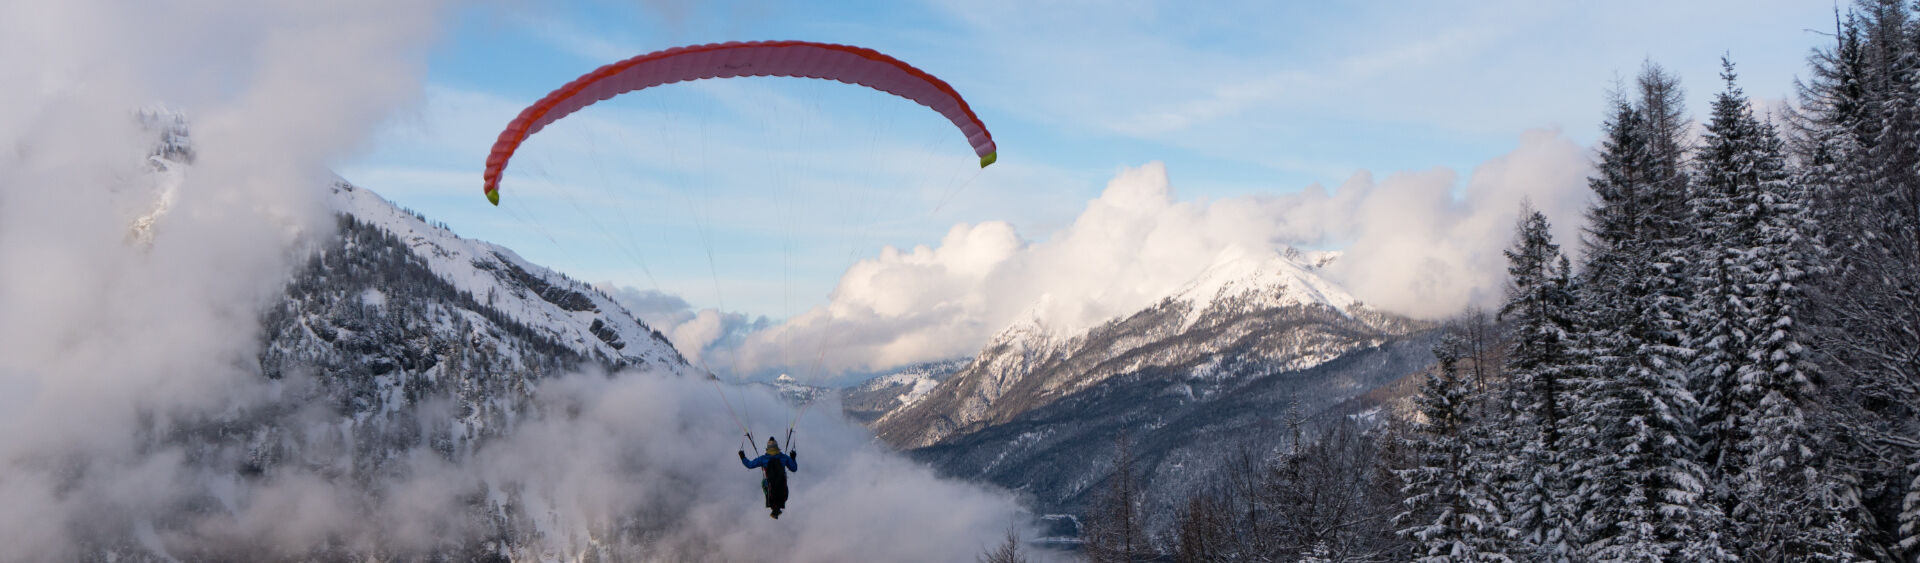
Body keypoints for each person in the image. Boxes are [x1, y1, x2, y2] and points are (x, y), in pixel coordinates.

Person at [740, 437, 798, 518]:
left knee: (764, 483)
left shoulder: (763, 459)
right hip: (782, 488)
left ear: (767, 448)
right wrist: (793, 458)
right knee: (778, 484)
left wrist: (742, 457)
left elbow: (749, 465)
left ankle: (772, 503)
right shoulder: (783, 457)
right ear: (777, 447)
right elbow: (794, 468)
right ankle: (777, 505)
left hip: (770, 486)